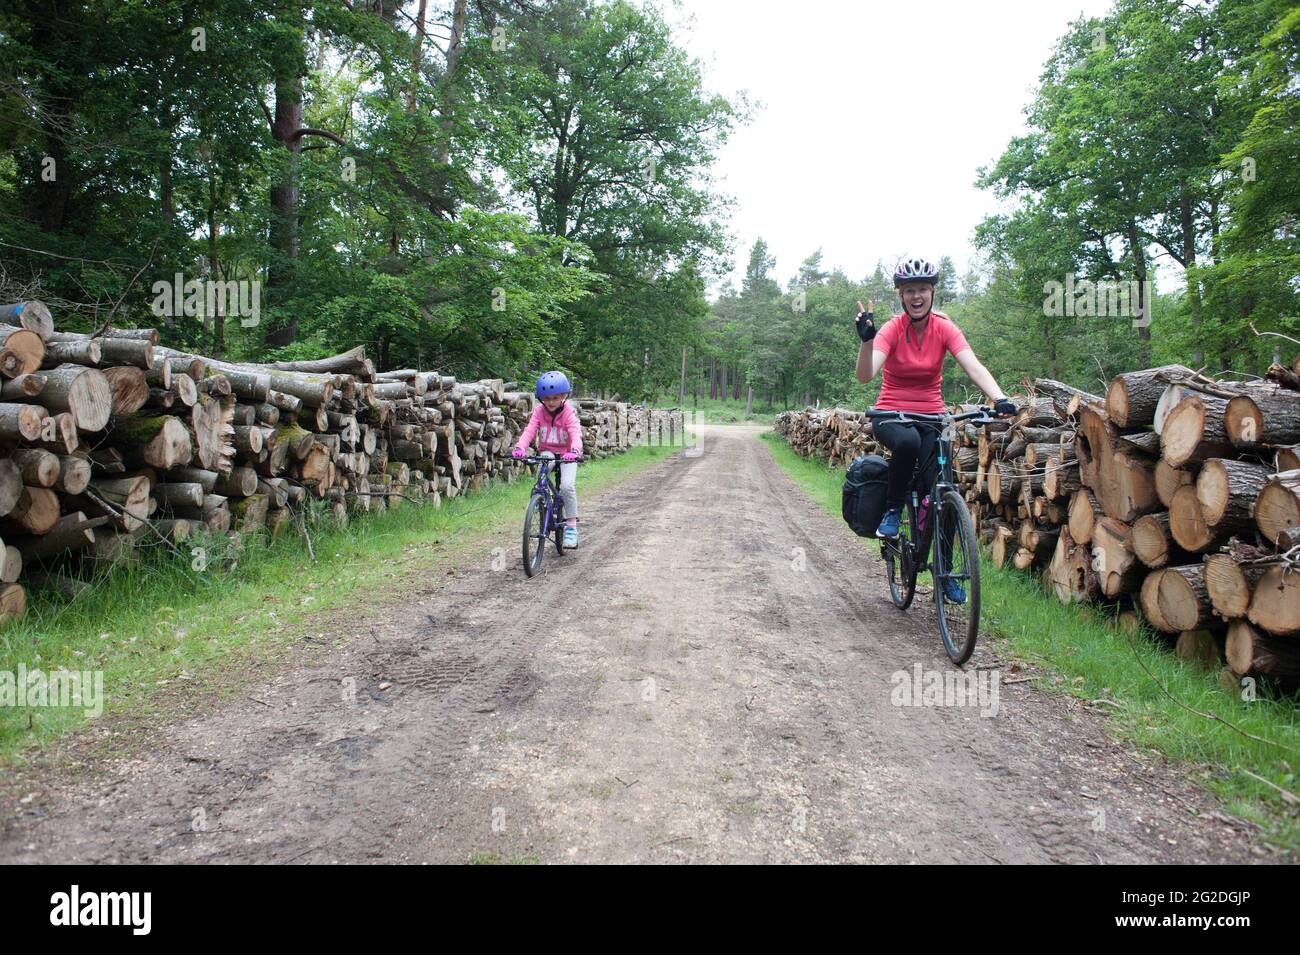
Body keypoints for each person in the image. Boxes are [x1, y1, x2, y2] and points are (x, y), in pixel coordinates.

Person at [853, 256, 1017, 601]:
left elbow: (973, 365)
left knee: (943, 490)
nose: (916, 296)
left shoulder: (945, 327)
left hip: (932, 416)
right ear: (901, 294)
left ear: (932, 292)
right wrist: (866, 341)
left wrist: (999, 397)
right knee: (909, 442)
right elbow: (866, 375)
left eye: (923, 290)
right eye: (909, 290)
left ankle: (945, 574)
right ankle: (894, 511)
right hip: (891, 414)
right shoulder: (891, 329)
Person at [512, 370, 584, 548]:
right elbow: (530, 430)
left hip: (568, 454)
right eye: (546, 398)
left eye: (555, 398)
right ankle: (541, 500)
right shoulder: (539, 411)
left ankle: (571, 527)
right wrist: (520, 447)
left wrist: (574, 451)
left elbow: (575, 433)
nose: (550, 402)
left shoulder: (568, 412)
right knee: (542, 473)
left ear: (563, 396)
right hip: (548, 451)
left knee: (566, 486)